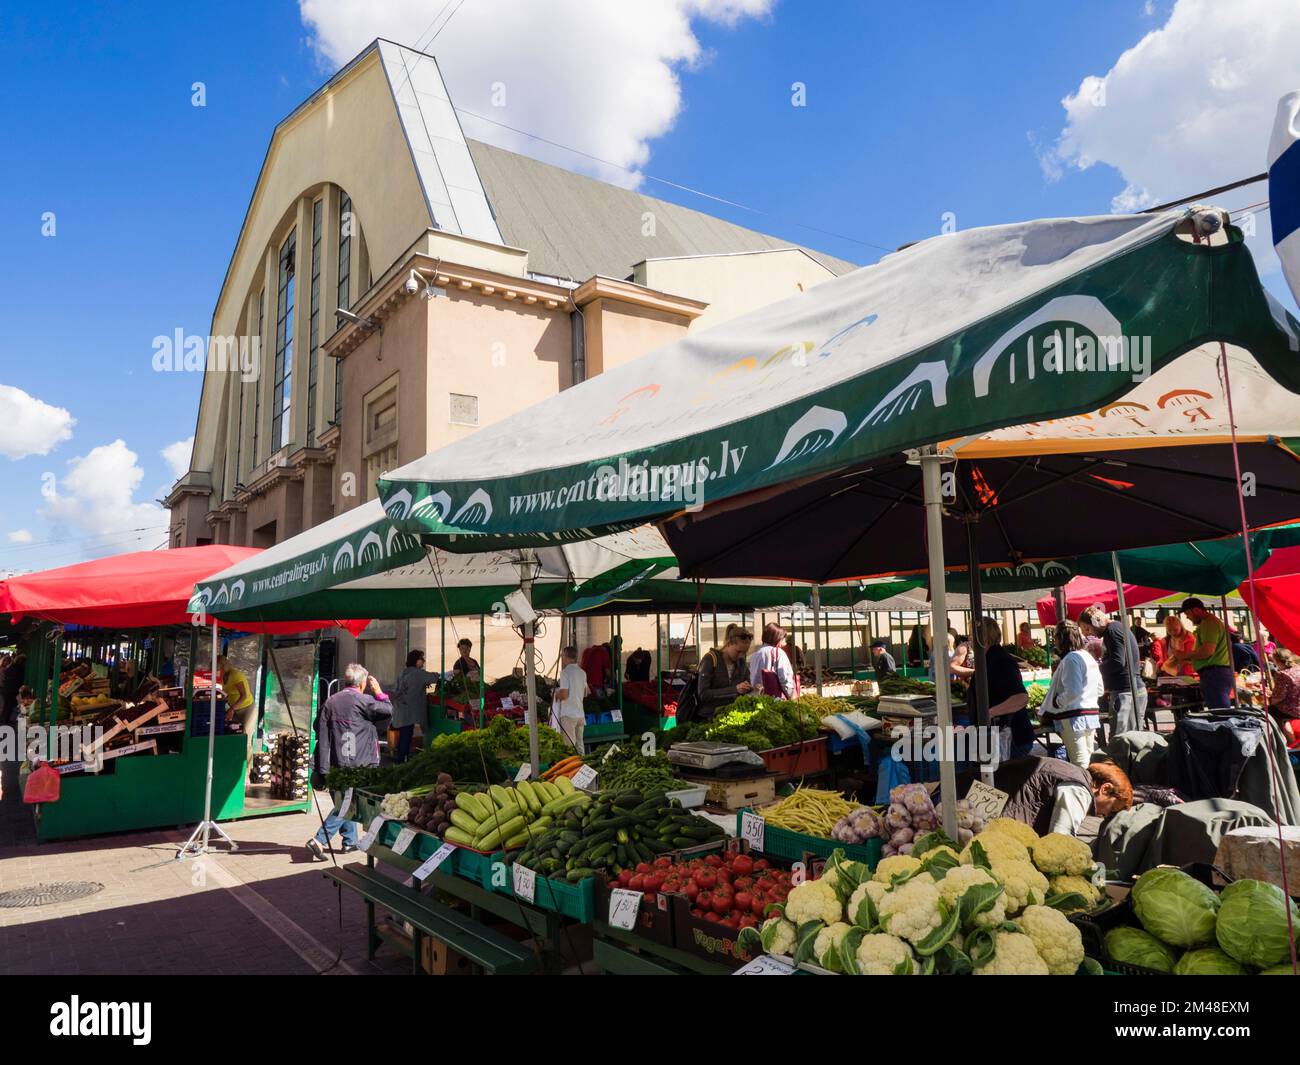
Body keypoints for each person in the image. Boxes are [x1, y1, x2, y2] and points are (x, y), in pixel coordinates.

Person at [307, 664, 392, 859]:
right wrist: (379, 692)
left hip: (333, 761)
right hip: (357, 762)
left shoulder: (331, 701)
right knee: (348, 803)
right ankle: (319, 840)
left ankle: (350, 841)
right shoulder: (363, 701)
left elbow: (316, 726)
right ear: (362, 683)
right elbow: (388, 710)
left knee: (345, 799)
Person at [985, 756, 1134, 837]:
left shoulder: (1073, 774)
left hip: (979, 797)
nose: (1106, 815)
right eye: (1113, 808)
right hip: (976, 805)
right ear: (1105, 789)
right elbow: (1061, 839)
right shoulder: (1079, 790)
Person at [1040, 619, 1103, 768]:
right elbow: (1099, 689)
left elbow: (1073, 691)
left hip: (1074, 716)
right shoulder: (1088, 657)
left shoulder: (1071, 659)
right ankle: (1091, 788)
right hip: (1090, 713)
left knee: (1079, 761)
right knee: (1088, 757)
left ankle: (1085, 789)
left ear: (1061, 639)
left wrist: (1056, 702)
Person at [1078, 603, 1146, 737]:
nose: (1088, 633)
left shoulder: (1112, 631)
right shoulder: (1115, 629)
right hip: (1128, 690)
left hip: (1126, 692)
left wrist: (1093, 669)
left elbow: (1117, 662)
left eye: (1087, 629)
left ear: (1094, 622)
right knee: (1127, 739)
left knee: (1121, 740)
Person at [978, 618, 1036, 761]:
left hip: (1011, 737)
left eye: (973, 634)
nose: (970, 639)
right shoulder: (990, 658)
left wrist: (989, 713)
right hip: (1004, 736)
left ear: (982, 637)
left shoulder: (1000, 660)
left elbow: (1021, 697)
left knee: (1007, 780)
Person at [1171, 598, 1235, 708]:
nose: (1187, 617)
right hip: (1216, 673)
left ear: (1195, 610)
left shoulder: (1209, 623)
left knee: (1220, 713)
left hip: (1214, 674)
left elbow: (1207, 651)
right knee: (1219, 711)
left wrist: (1183, 655)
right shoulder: (1210, 623)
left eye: (1187, 613)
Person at [392, 650, 440, 763]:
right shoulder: (418, 673)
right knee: (406, 735)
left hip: (400, 708)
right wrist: (447, 673)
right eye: (421, 659)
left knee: (405, 734)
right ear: (416, 660)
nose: (423, 661)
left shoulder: (404, 673)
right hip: (409, 711)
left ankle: (401, 759)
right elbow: (434, 678)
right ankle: (402, 761)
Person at [697, 629, 754, 718]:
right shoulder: (710, 659)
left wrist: (750, 688)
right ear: (729, 644)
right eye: (738, 651)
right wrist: (735, 689)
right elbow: (703, 694)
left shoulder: (741, 663)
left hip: (732, 715)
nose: (741, 656)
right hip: (709, 717)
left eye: (744, 653)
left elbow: (747, 684)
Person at [218, 655, 258, 761]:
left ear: (222, 667)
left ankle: (247, 773)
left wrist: (231, 709)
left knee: (245, 740)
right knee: (234, 736)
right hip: (235, 709)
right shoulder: (223, 677)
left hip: (248, 709)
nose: (216, 671)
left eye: (217, 668)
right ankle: (235, 764)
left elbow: (243, 695)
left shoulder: (236, 675)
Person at [554, 646, 590, 751]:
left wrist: (556, 695)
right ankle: (582, 765)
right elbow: (585, 693)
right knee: (580, 746)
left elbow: (564, 695)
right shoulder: (582, 673)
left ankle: (572, 767)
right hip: (580, 715)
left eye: (562, 656)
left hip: (569, 715)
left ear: (565, 656)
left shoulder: (565, 673)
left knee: (569, 747)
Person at [750, 622, 797, 699]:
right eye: (782, 639)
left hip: (758, 697)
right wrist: (791, 696)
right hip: (775, 698)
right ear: (777, 638)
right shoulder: (779, 653)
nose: (782, 643)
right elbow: (784, 678)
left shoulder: (756, 654)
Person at [1265, 647, 1300, 748]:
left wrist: (1270, 696)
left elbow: (1278, 698)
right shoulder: (1298, 669)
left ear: (1276, 660)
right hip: (1297, 705)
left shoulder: (1283, 675)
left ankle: (1288, 743)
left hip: (1291, 709)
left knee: (1267, 711)